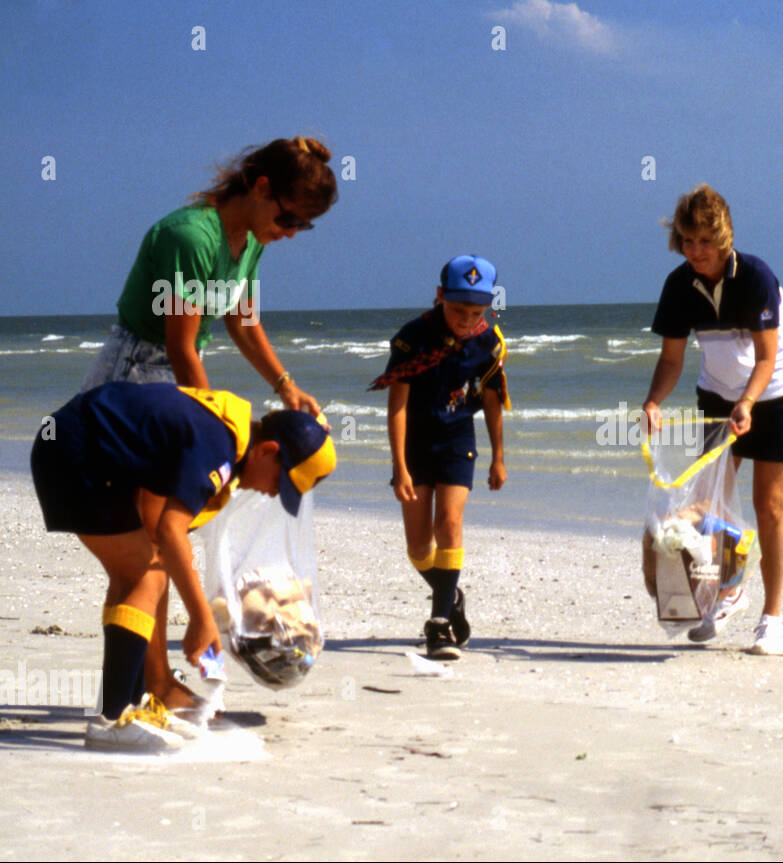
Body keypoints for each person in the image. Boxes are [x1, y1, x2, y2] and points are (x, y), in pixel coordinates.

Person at [79, 136, 338, 712]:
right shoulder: (189, 237)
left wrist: (284, 386)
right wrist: (209, 433)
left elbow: (243, 324)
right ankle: (149, 683)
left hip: (170, 379)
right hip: (134, 374)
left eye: (305, 228)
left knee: (158, 546)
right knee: (151, 547)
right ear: (260, 187)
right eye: (289, 217)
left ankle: (147, 680)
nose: (290, 232)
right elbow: (179, 343)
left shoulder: (249, 242)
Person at [30, 382, 336, 751]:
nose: (273, 493)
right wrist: (201, 619)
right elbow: (172, 531)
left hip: (76, 448)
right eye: (280, 483)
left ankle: (137, 699)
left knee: (139, 571)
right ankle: (110, 720)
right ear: (268, 451)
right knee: (146, 576)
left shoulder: (226, 436)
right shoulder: (218, 447)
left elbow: (159, 525)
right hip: (75, 456)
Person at [641, 185, 783, 656]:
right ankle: (731, 585)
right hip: (718, 392)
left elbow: (766, 358)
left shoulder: (755, 276)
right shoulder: (679, 287)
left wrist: (749, 404)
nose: (696, 252)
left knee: (769, 505)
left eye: (704, 241)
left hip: (779, 389)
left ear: (723, 238)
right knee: (706, 501)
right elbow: (672, 360)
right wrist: (654, 401)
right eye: (687, 241)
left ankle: (772, 618)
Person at [369, 255, 509, 661]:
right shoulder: (411, 339)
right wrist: (399, 468)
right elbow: (396, 406)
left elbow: (492, 399)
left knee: (449, 521)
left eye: (476, 312)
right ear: (439, 297)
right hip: (415, 445)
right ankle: (451, 594)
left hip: (456, 439)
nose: (467, 320)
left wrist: (498, 457)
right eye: (458, 310)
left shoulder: (489, 342)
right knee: (418, 549)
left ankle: (439, 624)